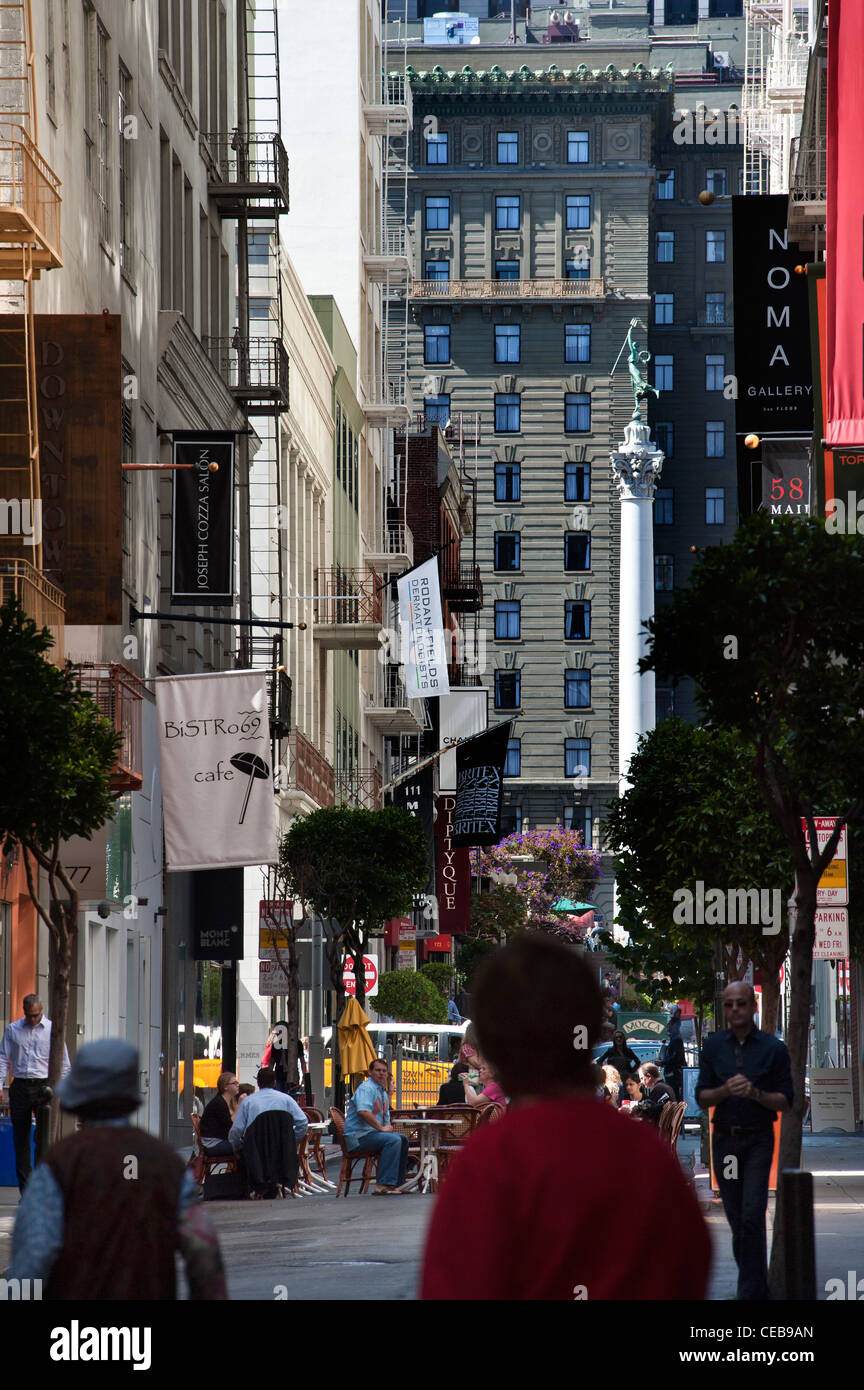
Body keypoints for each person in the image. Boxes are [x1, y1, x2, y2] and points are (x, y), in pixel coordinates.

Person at [422, 935, 710, 1300]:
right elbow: (688, 1267)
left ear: (493, 1047)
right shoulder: (646, 1156)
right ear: (589, 1029)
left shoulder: (486, 1165)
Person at [8, 1038, 226, 1299]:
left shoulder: (59, 1165)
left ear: (80, 1101)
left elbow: (33, 1258)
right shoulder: (166, 1164)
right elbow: (204, 1255)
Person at [696, 981, 793, 1301]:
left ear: (753, 1007)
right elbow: (701, 1096)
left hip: (757, 1142)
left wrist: (755, 1093)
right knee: (738, 1219)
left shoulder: (773, 1049)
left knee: (753, 1214)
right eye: (729, 1004)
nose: (735, 1009)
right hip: (726, 1143)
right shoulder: (713, 1048)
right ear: (724, 1008)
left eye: (741, 1003)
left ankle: (748, 1293)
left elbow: (786, 1100)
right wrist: (725, 1091)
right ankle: (758, 1290)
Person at [0, 994, 71, 1193]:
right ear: (24, 1012)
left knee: (43, 1139)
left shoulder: (52, 1030)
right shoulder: (13, 1030)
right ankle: (26, 1191)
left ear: (42, 1011)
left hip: (44, 1086)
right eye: (29, 1016)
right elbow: (3, 1059)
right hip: (20, 1086)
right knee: (20, 1139)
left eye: (36, 1015)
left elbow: (64, 1065)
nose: (33, 1020)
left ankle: (41, 1188)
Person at [343, 1058, 409, 1195]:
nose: (381, 1074)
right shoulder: (367, 1088)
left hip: (371, 1134)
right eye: (378, 1070)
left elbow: (386, 1118)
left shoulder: (382, 1091)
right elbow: (363, 1112)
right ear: (370, 1072)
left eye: (384, 1071)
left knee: (402, 1139)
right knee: (393, 1140)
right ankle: (383, 1185)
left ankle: (396, 1183)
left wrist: (387, 1127)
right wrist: (381, 1128)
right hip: (358, 1137)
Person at [229, 1067, 308, 1150]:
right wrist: (290, 1141)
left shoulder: (248, 1102)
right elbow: (303, 1122)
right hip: (281, 1152)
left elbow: (236, 1130)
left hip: (255, 1153)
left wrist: (238, 1147)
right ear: (274, 1082)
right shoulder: (287, 1100)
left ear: (258, 1083)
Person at [199, 1071, 240, 1157]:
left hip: (221, 1140)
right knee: (246, 1146)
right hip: (213, 1144)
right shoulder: (219, 1103)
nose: (237, 1085)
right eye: (234, 1083)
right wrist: (238, 1107)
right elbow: (230, 1126)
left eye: (237, 1083)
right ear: (225, 1087)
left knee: (248, 1144)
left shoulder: (229, 1102)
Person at [662, 1011, 686, 1100]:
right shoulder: (674, 1038)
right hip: (673, 1073)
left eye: (669, 1024)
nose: (667, 1026)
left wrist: (663, 1062)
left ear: (673, 1025)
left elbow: (677, 1057)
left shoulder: (677, 1039)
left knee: (674, 1095)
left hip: (674, 1074)